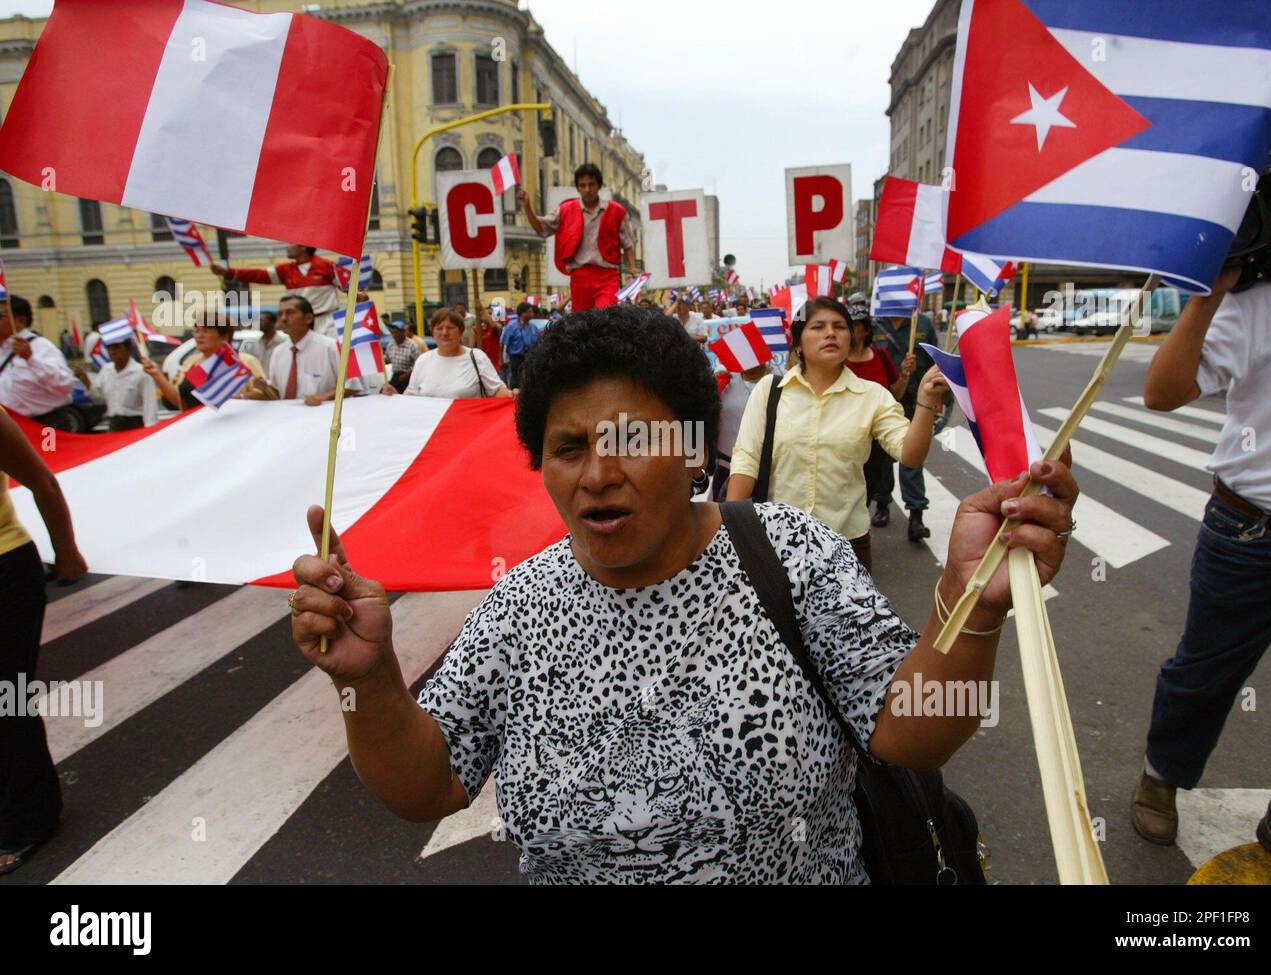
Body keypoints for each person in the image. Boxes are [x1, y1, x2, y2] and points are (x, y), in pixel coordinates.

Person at [286, 303, 1079, 884]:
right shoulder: (516, 609)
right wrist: (369, 682)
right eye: (568, 447)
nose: (598, 472)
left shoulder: (791, 557)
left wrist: (969, 603)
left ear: (694, 451)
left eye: (634, 439)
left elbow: (917, 733)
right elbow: (427, 787)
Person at [1132, 264, 1271, 884]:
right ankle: (1161, 774)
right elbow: (1163, 390)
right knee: (1206, 671)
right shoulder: (1262, 300)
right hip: (1255, 531)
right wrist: (1208, 297)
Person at [726, 297, 947, 572]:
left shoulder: (872, 395)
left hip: (846, 547)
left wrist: (926, 400)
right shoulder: (769, 391)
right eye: (818, 326)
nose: (831, 333)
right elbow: (746, 459)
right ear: (798, 343)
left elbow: (911, 455)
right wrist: (731, 533)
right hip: (776, 543)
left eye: (840, 326)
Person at [0, 404, 87, 875]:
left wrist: (67, 553)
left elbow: (43, 482)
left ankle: (30, 818)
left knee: (6, 700)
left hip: (5, 571)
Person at [518, 163, 638, 311]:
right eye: (583, 185)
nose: (587, 190)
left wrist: (632, 267)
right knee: (582, 324)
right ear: (577, 188)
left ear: (599, 185)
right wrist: (527, 207)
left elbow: (627, 243)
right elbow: (541, 228)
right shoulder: (565, 210)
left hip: (607, 276)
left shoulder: (616, 211)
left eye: (591, 184)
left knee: (605, 316)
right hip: (579, 277)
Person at [844, 293, 913, 527]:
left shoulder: (881, 357)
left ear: (865, 330)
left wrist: (904, 375)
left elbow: (895, 394)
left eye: (855, 326)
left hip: (876, 439)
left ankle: (876, 510)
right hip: (847, 438)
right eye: (847, 326)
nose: (850, 331)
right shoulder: (836, 361)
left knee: (874, 482)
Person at [874, 311, 939, 542]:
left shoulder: (922, 323)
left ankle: (916, 517)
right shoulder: (876, 324)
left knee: (913, 459)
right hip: (885, 399)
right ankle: (882, 505)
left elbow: (934, 362)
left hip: (916, 400)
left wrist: (938, 397)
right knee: (882, 459)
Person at [211, 243, 341, 335]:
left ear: (303, 246)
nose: (287, 247)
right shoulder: (285, 270)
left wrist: (360, 295)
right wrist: (227, 272)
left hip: (326, 322)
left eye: (291, 243)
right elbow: (258, 275)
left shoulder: (327, 266)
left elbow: (348, 286)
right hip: (299, 325)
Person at [383, 307, 511, 400]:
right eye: (439, 328)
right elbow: (411, 398)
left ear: (460, 332)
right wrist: (395, 396)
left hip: (470, 432)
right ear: (433, 333)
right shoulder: (423, 360)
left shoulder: (477, 357)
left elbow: (497, 391)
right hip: (432, 432)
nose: (445, 333)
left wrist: (512, 395)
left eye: (450, 328)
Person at [143, 316, 266, 409]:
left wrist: (237, 399)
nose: (199, 336)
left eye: (206, 331)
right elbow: (180, 402)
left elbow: (264, 393)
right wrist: (156, 375)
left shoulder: (244, 360)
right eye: (196, 331)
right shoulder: (190, 362)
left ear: (224, 336)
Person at [0, 295, 77, 431]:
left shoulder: (41, 347)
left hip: (46, 424)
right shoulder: (2, 351)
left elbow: (66, 384)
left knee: (49, 453)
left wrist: (31, 359)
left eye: (0, 316)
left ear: (20, 320)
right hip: (13, 427)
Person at [73, 337, 158, 431]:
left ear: (128, 349)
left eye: (117, 347)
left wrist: (149, 430)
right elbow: (100, 399)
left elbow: (150, 405)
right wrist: (86, 380)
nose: (112, 351)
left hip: (136, 424)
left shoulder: (142, 372)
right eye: (109, 348)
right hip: (114, 424)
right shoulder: (106, 370)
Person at [712, 361, 768, 502]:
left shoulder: (777, 381)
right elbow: (705, 414)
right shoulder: (726, 379)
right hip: (725, 467)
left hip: (763, 471)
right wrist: (714, 387)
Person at [500, 302, 542, 390]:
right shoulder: (512, 325)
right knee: (516, 379)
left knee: (529, 378)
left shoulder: (533, 327)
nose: (532, 314)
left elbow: (538, 342)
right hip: (516, 357)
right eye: (530, 311)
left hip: (530, 356)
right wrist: (500, 359)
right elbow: (503, 342)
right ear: (523, 313)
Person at [383, 319, 424, 394]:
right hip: (396, 376)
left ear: (403, 332)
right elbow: (388, 360)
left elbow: (419, 363)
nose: (394, 335)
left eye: (396, 332)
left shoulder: (412, 345)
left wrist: (408, 373)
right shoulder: (390, 345)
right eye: (392, 333)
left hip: (409, 377)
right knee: (385, 393)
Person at [247, 310, 288, 374]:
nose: (259, 323)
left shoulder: (283, 342)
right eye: (258, 321)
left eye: (262, 320)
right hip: (260, 381)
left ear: (272, 323)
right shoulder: (255, 344)